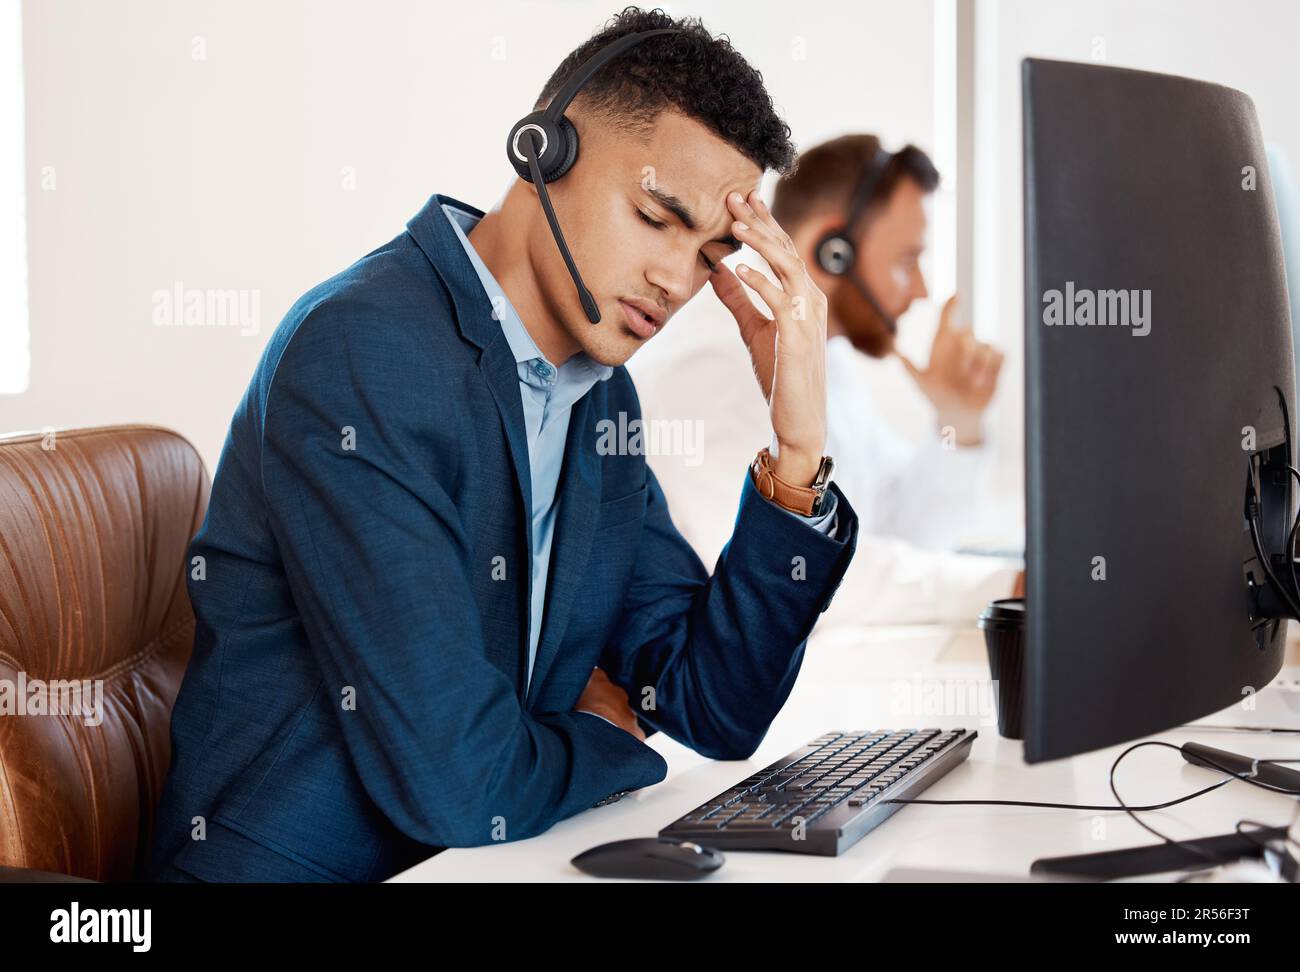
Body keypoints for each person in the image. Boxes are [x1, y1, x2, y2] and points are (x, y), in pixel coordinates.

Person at [145, 8, 858, 884]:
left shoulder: (600, 398)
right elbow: (460, 777)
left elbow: (711, 707)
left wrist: (797, 452)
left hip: (493, 860)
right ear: (541, 152)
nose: (676, 280)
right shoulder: (363, 354)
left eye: (710, 255)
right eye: (654, 217)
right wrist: (601, 738)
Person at [632, 134, 1022, 626]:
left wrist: (958, 422)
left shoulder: (827, 358)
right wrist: (1003, 587)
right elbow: (793, 575)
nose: (922, 291)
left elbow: (899, 530)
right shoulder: (716, 365)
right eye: (907, 261)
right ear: (833, 251)